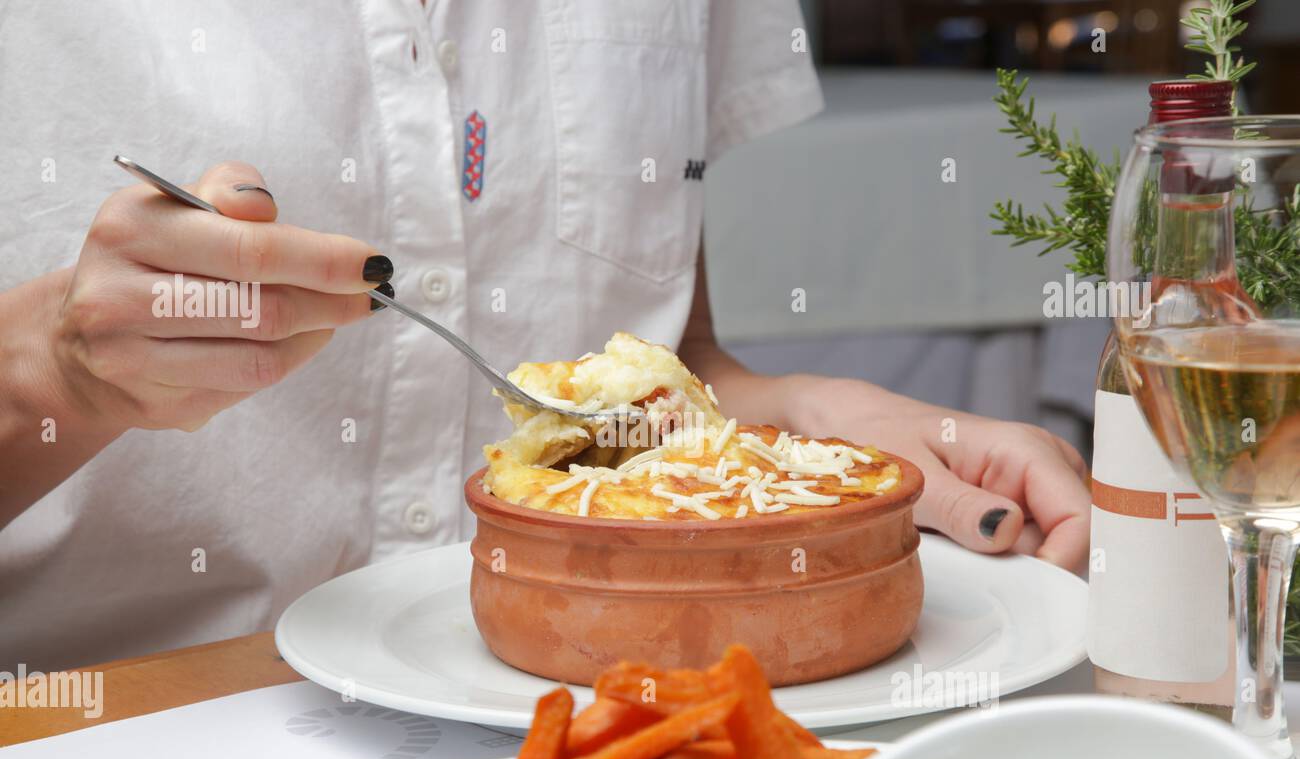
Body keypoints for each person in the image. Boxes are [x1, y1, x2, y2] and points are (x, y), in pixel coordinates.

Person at [0, 0, 1089, 670]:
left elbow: (672, 367)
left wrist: (807, 424)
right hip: (119, 740)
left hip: (599, 730)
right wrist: (46, 374)